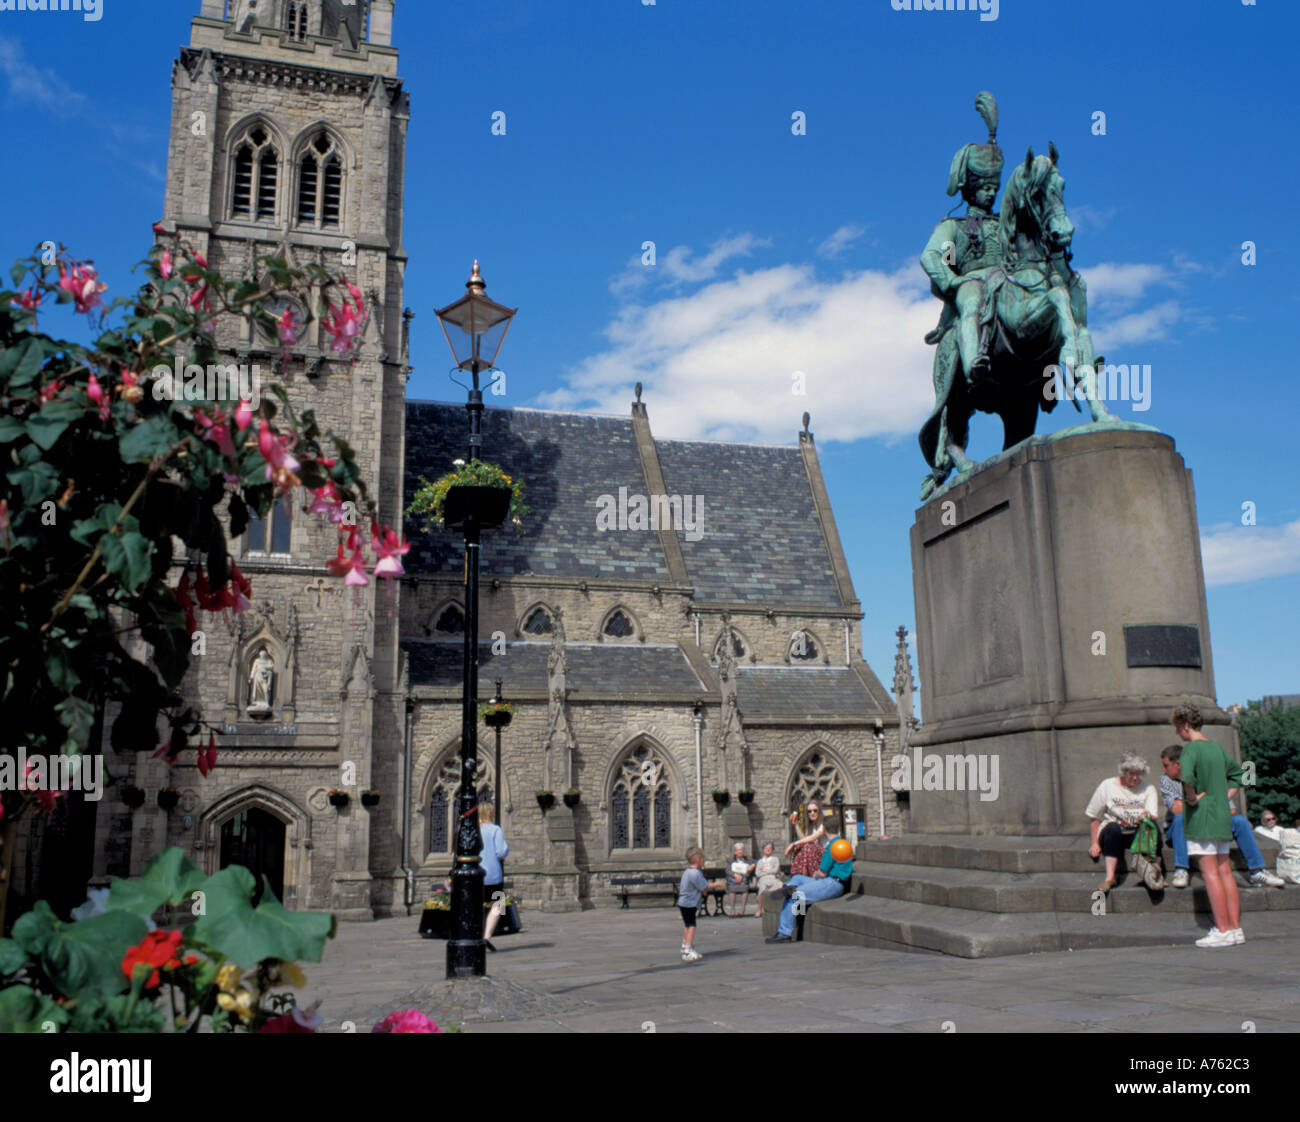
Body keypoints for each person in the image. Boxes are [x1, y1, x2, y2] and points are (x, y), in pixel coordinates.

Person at [1159, 745, 1284, 889]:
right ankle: (1181, 869)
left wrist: (1196, 802)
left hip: (1210, 823)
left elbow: (1230, 810)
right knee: (1180, 819)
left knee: (1240, 821)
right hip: (1183, 827)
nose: (1163, 769)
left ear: (1178, 764)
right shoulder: (1166, 780)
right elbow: (1177, 810)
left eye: (1166, 765)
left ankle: (1257, 871)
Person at [1172, 702, 1243, 947]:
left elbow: (1186, 776)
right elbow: (1239, 775)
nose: (1178, 733)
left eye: (1179, 729)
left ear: (1187, 726)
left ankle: (1222, 929)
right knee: (1225, 871)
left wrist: (1191, 798)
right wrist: (1225, 797)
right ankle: (1234, 928)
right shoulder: (1216, 748)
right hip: (1222, 814)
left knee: (1210, 872)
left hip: (1201, 816)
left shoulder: (1191, 749)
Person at [1085, 752, 1160, 893]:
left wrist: (1146, 815)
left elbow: (1152, 814)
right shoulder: (1107, 785)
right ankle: (1110, 877)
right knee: (1113, 829)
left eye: (1139, 774)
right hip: (1113, 830)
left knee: (1152, 828)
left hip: (1137, 831)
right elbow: (1094, 816)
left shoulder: (1148, 788)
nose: (1135, 778)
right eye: (1131, 774)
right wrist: (1094, 843)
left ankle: (1152, 874)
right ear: (1123, 772)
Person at [765, 831, 852, 944]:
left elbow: (822, 873)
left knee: (795, 895)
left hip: (832, 883)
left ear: (825, 830)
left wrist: (815, 874)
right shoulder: (843, 843)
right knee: (798, 878)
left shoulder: (832, 847)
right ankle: (786, 888)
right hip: (832, 881)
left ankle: (784, 933)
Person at [677, 848, 724, 962]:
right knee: (692, 925)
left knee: (687, 925)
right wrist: (718, 883)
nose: (704, 861)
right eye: (703, 859)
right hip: (689, 903)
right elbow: (705, 886)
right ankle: (687, 950)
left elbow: (699, 887)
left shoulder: (688, 871)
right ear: (697, 860)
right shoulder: (695, 873)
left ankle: (685, 946)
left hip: (683, 902)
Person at [477, 804, 509, 952]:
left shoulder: (473, 830)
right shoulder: (495, 829)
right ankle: (486, 936)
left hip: (475, 875)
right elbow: (501, 852)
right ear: (490, 813)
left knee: (474, 905)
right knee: (498, 904)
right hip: (493, 875)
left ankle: (475, 935)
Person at [1255, 811, 1300, 885]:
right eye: (1268, 820)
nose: (1271, 821)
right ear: (1263, 821)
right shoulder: (1259, 830)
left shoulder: (1280, 829)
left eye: (1273, 819)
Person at [785, 801, 828, 878]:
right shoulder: (812, 826)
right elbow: (805, 840)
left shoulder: (824, 823)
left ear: (819, 811)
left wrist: (793, 843)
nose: (812, 813)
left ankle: (805, 875)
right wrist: (796, 825)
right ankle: (800, 875)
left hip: (827, 855)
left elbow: (813, 837)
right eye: (809, 811)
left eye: (815, 810)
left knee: (807, 847)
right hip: (816, 856)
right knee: (802, 846)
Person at [725, 842, 755, 918]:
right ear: (735, 851)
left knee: (745, 888)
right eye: (738, 850)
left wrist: (751, 867)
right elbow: (728, 870)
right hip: (733, 880)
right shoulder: (731, 860)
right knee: (732, 889)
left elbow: (755, 863)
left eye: (741, 849)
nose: (740, 851)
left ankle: (742, 910)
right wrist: (735, 875)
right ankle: (732, 910)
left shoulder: (748, 859)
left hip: (744, 879)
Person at [753, 842, 782, 919]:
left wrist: (765, 871)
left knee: (780, 885)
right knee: (762, 887)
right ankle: (759, 909)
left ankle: (780, 907)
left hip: (773, 878)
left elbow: (775, 870)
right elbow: (757, 873)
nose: (768, 850)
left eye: (770, 848)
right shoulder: (760, 861)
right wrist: (768, 871)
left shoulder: (775, 859)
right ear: (763, 850)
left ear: (772, 850)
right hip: (763, 879)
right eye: (766, 848)